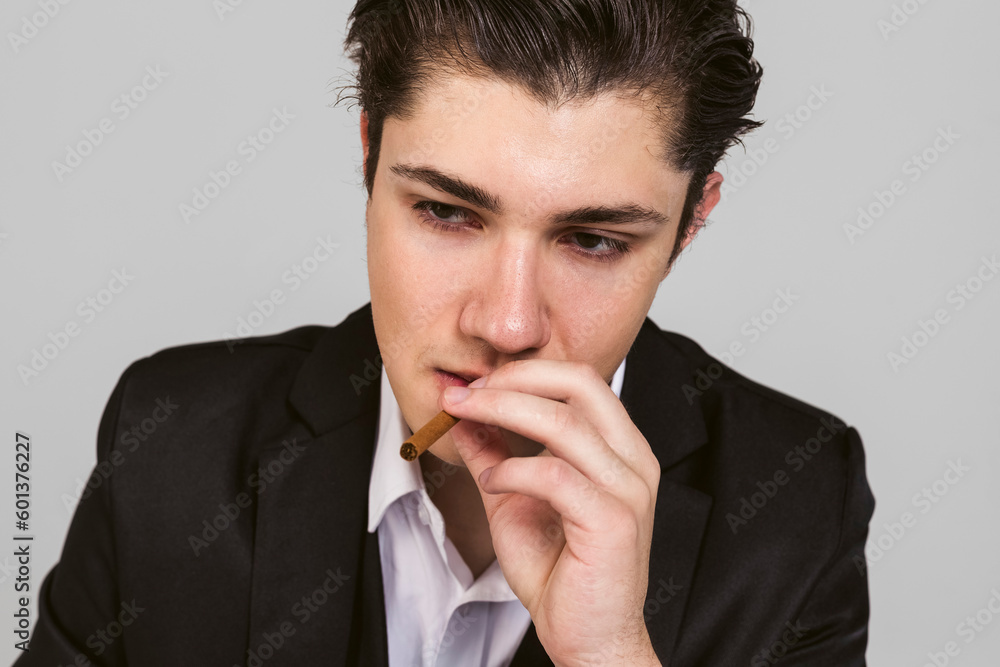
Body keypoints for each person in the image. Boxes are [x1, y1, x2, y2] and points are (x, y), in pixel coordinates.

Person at [18, 1, 875, 665]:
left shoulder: (798, 506)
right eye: (446, 211)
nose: (506, 323)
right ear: (368, 156)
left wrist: (611, 651)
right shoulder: (169, 440)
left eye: (592, 240)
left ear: (691, 224)